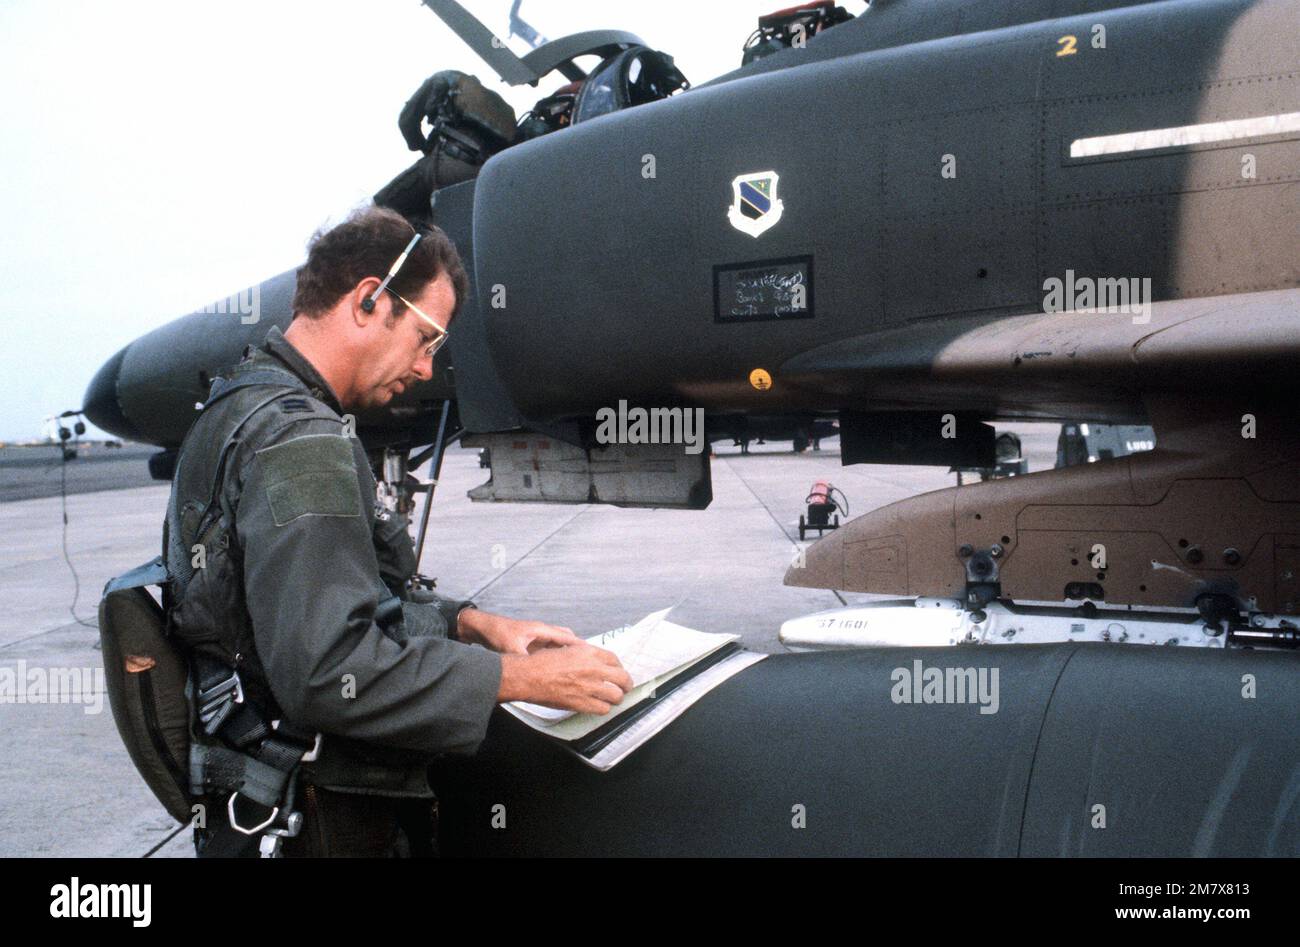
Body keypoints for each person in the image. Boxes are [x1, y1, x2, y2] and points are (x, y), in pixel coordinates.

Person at [164, 206, 632, 857]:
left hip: (259, 797)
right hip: (318, 815)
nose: (423, 369)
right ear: (369, 299)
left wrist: (468, 622)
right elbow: (330, 670)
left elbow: (309, 608)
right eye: (426, 338)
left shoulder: (237, 406)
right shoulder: (303, 440)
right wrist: (516, 679)